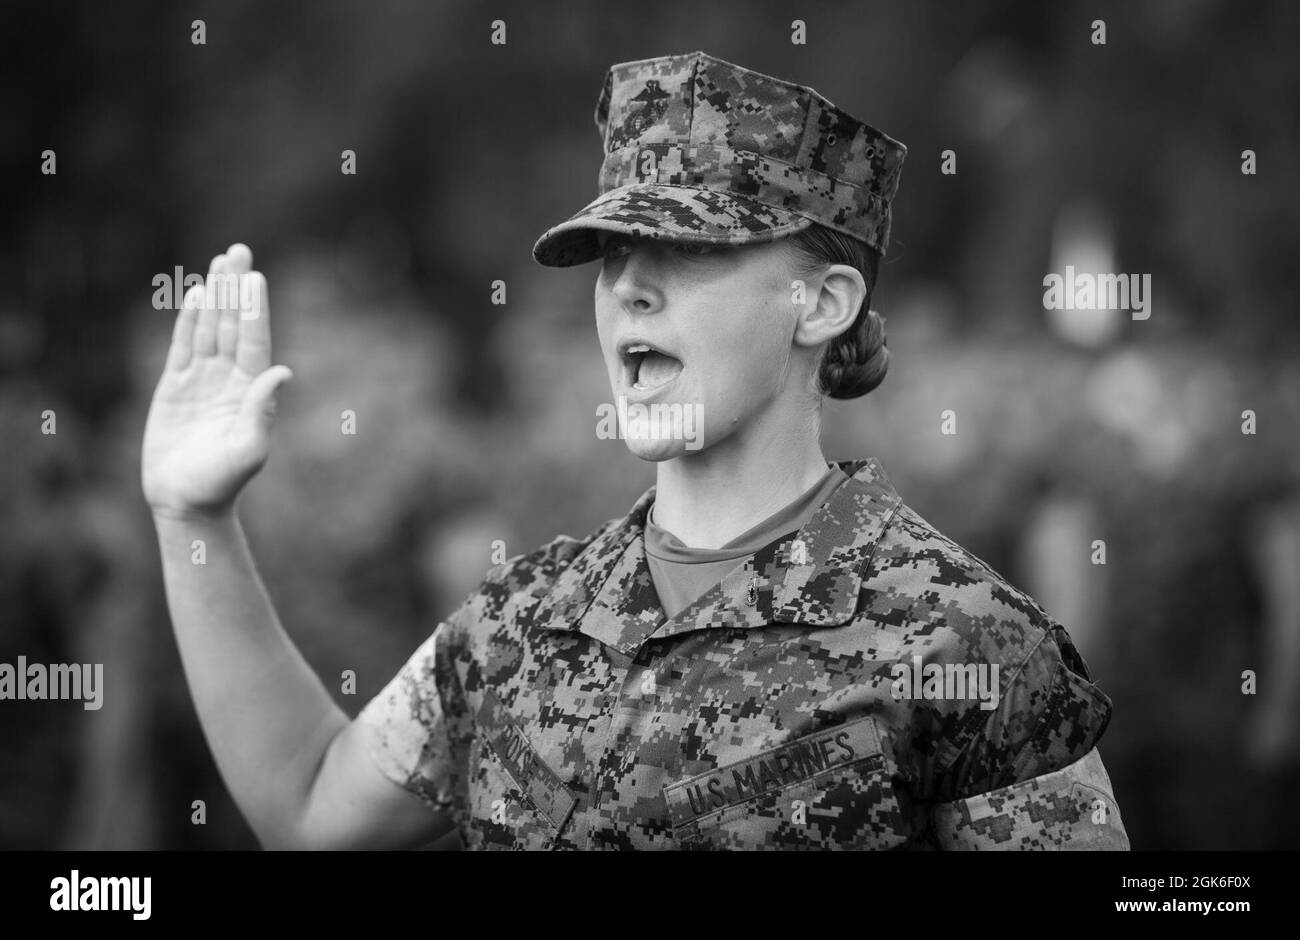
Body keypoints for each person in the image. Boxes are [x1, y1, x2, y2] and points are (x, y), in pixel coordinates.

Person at [142, 50, 1128, 850]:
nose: (629, 290)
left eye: (690, 250)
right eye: (614, 253)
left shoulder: (962, 638)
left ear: (821, 303)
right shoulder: (521, 620)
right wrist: (195, 519)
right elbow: (309, 807)